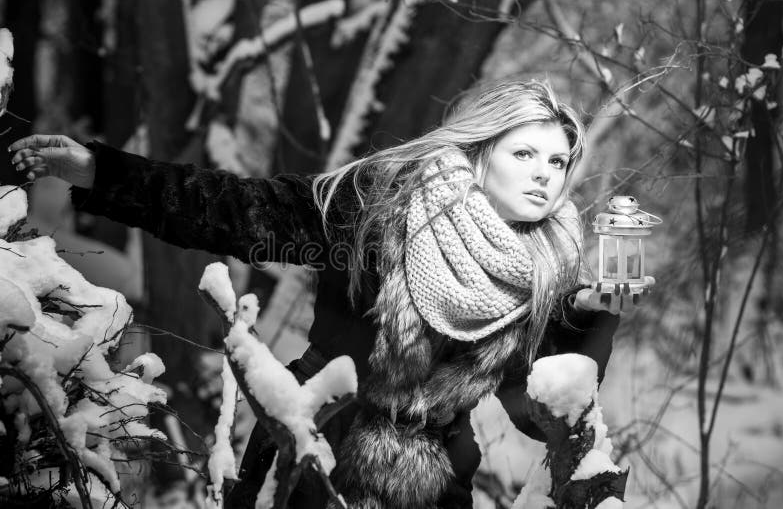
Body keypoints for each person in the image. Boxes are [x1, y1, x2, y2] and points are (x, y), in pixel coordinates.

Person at [9, 80, 649, 509]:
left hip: (434, 486)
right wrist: (103, 172)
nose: (544, 174)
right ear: (481, 151)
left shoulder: (543, 271)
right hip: (313, 452)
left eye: (558, 162)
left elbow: (538, 408)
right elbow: (238, 210)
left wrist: (590, 318)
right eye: (526, 153)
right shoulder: (381, 206)